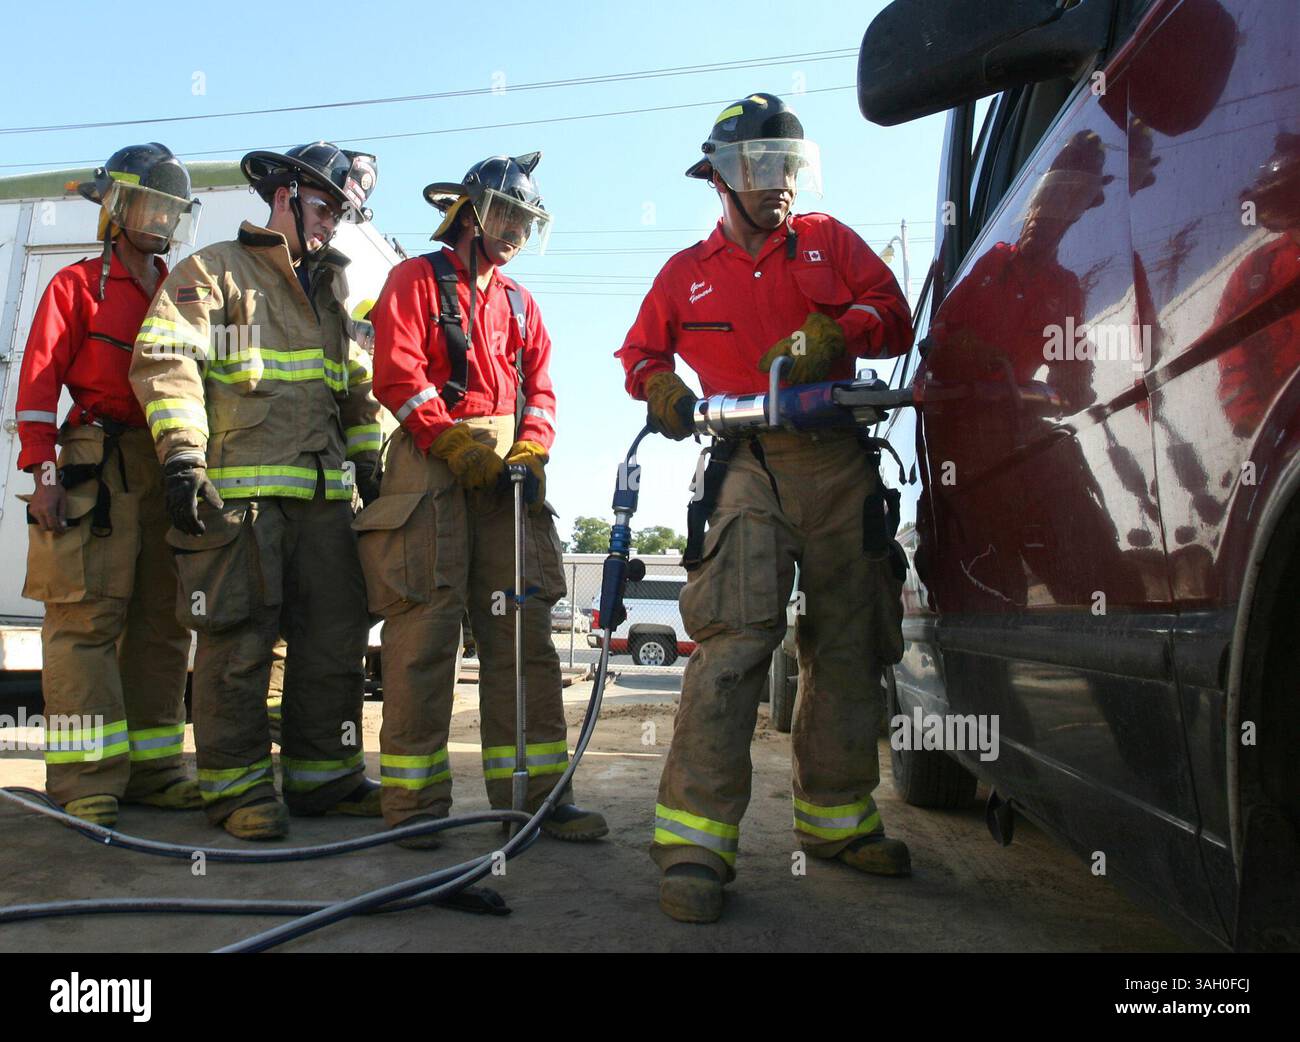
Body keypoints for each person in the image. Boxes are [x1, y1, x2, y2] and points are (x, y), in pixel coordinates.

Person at [616, 93, 914, 922]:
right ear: (719, 176)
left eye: (788, 165)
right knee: (737, 641)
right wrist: (662, 387)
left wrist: (838, 332)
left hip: (841, 461)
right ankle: (694, 847)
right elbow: (640, 354)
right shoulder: (686, 272)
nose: (778, 183)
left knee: (851, 643)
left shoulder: (830, 244)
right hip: (749, 464)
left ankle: (836, 822)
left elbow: (895, 315)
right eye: (759, 167)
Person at [129, 142, 383, 840]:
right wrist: (182, 458)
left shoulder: (332, 288)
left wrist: (371, 463)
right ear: (286, 196)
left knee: (334, 640)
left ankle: (324, 778)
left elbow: (356, 390)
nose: (333, 223)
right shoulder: (212, 273)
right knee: (239, 644)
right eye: (327, 207)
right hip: (238, 505)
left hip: (326, 506)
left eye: (342, 212)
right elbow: (166, 361)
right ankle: (238, 792)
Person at [360, 152, 606, 847]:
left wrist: (531, 446)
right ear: (468, 212)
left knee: (524, 643)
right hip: (431, 473)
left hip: (509, 483)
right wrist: (450, 442)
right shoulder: (412, 280)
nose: (516, 232)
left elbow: (544, 392)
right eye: (506, 215)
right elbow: (397, 375)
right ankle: (412, 811)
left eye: (526, 221)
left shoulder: (522, 305)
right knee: (423, 640)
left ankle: (537, 800)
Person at [17, 143, 203, 827]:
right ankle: (85, 780)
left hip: (165, 463)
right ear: (118, 207)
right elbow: (37, 391)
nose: (160, 220)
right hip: (93, 460)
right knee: (84, 621)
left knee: (161, 621)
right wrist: (44, 475)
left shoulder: (179, 291)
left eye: (171, 210)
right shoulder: (76, 286)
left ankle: (154, 770)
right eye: (151, 204)